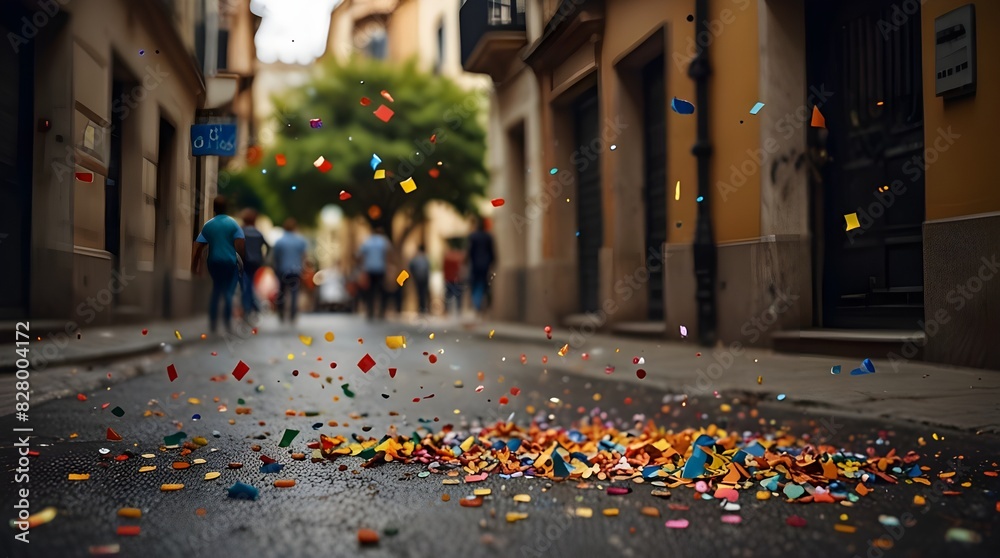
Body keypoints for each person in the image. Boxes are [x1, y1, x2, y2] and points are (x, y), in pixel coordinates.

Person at [191, 196, 246, 334]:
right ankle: (227, 323)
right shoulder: (233, 224)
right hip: (229, 262)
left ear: (214, 208)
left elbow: (197, 246)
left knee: (216, 290)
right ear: (226, 208)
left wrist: (194, 266)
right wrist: (242, 259)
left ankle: (213, 324)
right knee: (228, 292)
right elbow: (241, 245)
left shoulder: (208, 225)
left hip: (214, 262)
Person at [272, 218, 309, 323]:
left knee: (282, 292)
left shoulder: (279, 241)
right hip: (295, 270)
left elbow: (276, 257)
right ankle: (293, 314)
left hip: (282, 270)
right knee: (294, 292)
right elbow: (304, 256)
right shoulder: (300, 241)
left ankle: (281, 312)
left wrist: (276, 268)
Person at [240, 209, 269, 321]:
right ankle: (254, 307)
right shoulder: (258, 233)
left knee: (246, 285)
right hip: (256, 262)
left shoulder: (241, 231)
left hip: (244, 261)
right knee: (250, 284)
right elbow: (268, 246)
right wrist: (264, 259)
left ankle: (248, 308)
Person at [356, 226, 391, 320]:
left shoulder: (367, 241)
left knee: (370, 291)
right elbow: (387, 255)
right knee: (381, 290)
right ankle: (381, 311)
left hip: (369, 269)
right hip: (380, 269)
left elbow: (360, 255)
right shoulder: (384, 241)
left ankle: (370, 311)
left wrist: (362, 268)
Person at [468, 218, 495, 314]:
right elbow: (492, 252)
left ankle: (477, 304)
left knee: (475, 284)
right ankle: (481, 304)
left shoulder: (473, 237)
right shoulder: (488, 237)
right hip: (485, 264)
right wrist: (493, 262)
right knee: (484, 284)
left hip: (475, 264)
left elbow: (470, 251)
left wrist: (467, 261)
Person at [443, 240, 464, 316]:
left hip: (448, 279)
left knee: (448, 296)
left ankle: (448, 311)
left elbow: (444, 268)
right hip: (457, 279)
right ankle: (458, 311)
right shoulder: (460, 256)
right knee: (458, 296)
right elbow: (460, 268)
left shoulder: (447, 256)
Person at [409, 244, 431, 314]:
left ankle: (421, 308)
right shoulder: (425, 258)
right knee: (423, 294)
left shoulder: (415, 258)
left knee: (419, 294)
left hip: (418, 278)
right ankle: (423, 308)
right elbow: (428, 269)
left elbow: (411, 266)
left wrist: (414, 275)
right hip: (424, 278)